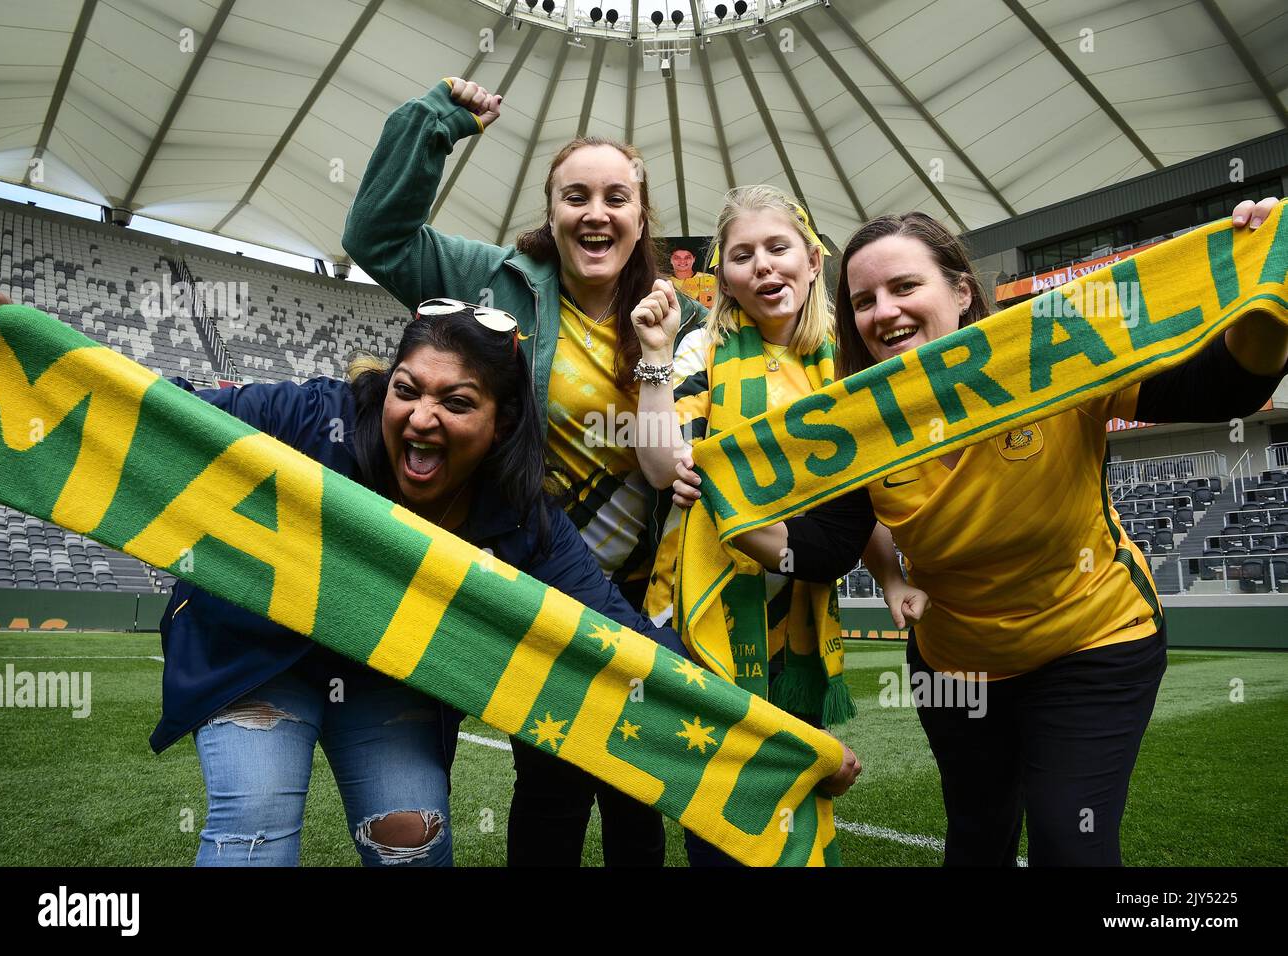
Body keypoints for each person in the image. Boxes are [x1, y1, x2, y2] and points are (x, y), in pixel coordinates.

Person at [679, 198, 1288, 866]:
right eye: (863, 300)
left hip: (1092, 641)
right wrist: (728, 509)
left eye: (905, 287)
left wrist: (1269, 276)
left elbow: (1219, 392)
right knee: (976, 837)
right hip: (957, 668)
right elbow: (824, 549)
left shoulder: (1053, 352)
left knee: (1070, 840)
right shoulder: (862, 420)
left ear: (963, 291)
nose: (883, 312)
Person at [150, 300, 689, 867]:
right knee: (253, 824)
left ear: (502, 422)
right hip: (256, 652)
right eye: (406, 390)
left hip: (381, 672)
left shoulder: (521, 514)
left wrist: (734, 700)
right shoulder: (314, 417)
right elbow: (159, 412)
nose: (421, 418)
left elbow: (618, 632)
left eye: (456, 402)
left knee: (412, 839)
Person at [341, 77, 707, 866]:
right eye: (575, 196)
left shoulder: (686, 318)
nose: (596, 213)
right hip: (534, 580)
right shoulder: (492, 283)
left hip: (648, 586)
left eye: (617, 197)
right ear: (552, 213)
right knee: (550, 777)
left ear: (642, 218)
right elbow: (378, 240)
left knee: (638, 785)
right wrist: (433, 121)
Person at [629, 184, 863, 866]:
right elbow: (656, 464)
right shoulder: (701, 350)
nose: (762, 265)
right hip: (703, 611)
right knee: (719, 810)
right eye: (742, 255)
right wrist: (653, 355)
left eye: (777, 248)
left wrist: (890, 575)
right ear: (723, 275)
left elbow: (865, 494)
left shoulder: (844, 364)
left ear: (813, 260)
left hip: (797, 620)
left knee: (794, 801)